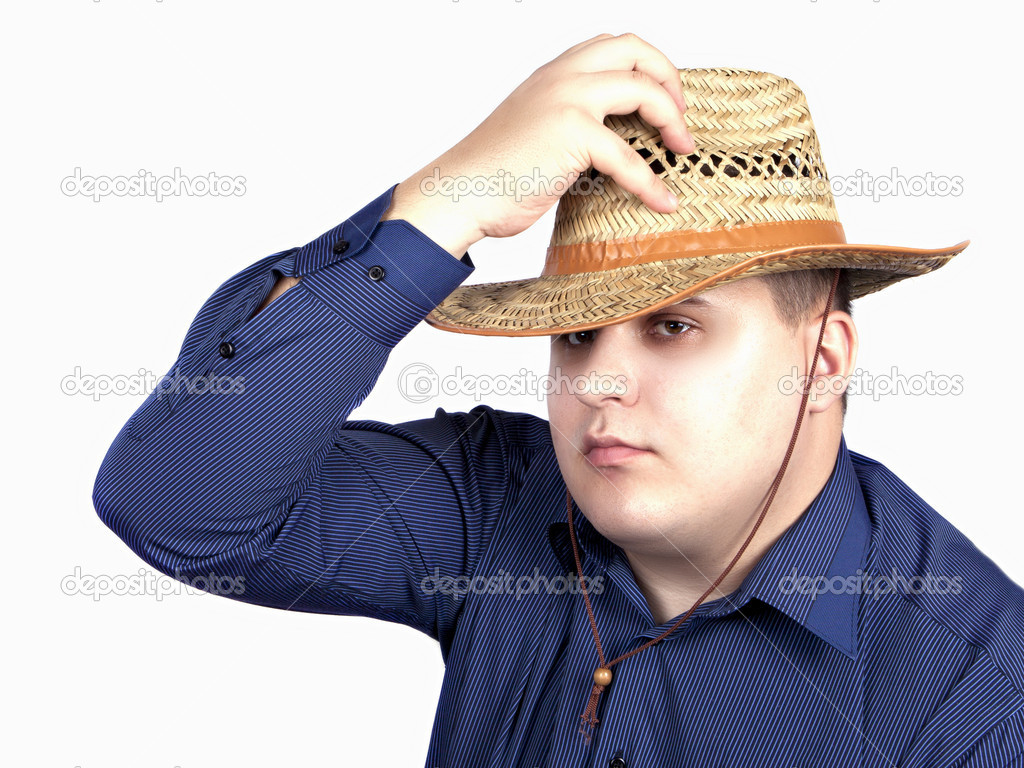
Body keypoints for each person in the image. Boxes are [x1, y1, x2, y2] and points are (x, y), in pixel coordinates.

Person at [92, 33, 1024, 767]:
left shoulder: (981, 701)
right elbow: (181, 504)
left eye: (672, 326)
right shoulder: (495, 503)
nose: (598, 382)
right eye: (577, 334)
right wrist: (440, 207)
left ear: (822, 360)